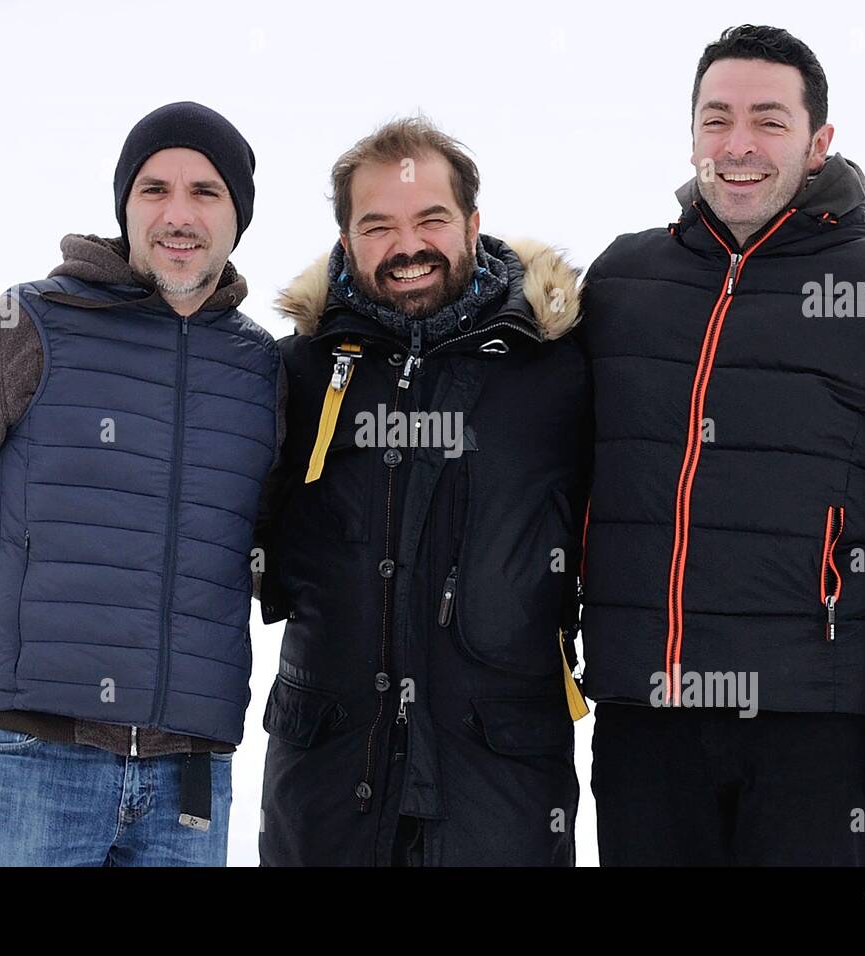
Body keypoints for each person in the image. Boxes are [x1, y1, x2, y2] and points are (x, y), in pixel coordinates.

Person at [579, 25, 865, 865]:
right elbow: (553, 470)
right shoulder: (621, 283)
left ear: (818, 142)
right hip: (645, 714)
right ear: (691, 132)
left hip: (816, 719)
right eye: (716, 118)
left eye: (769, 120)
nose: (738, 145)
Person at [0, 101, 283, 866]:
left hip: (191, 781)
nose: (179, 214)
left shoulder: (261, 369)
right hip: (29, 766)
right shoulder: (23, 327)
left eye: (206, 192)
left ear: (238, 216)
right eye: (155, 189)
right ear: (123, 206)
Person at [255, 117, 591, 865]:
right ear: (345, 243)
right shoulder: (295, 373)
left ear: (473, 224)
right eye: (377, 226)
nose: (408, 247)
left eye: (431, 219)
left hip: (501, 785)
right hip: (326, 786)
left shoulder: (560, 371)